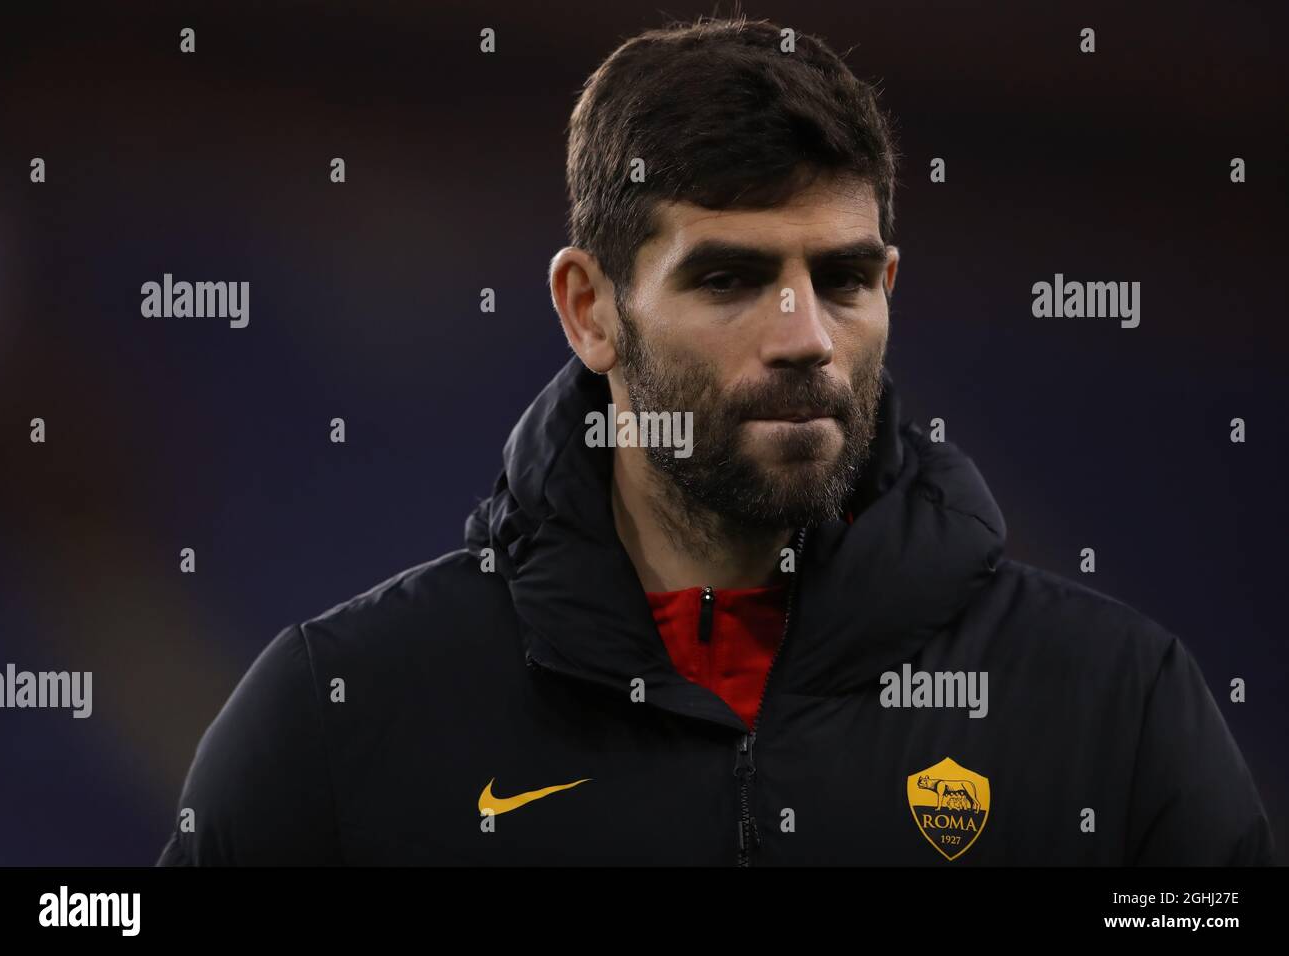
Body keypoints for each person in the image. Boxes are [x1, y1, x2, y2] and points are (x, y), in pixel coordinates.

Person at [157, 14, 1272, 866]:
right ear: (589, 309)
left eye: (840, 279)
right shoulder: (344, 710)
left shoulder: (1110, 707)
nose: (804, 338)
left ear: (887, 286)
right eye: (730, 277)